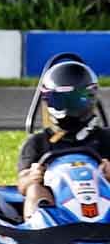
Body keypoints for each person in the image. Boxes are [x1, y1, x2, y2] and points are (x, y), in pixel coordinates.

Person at [17, 59, 110, 218]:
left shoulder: (106, 138)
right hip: (57, 219)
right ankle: (37, 232)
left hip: (104, 209)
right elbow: (22, 183)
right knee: (34, 189)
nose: (69, 106)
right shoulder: (37, 143)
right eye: (61, 100)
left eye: (76, 99)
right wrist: (32, 177)